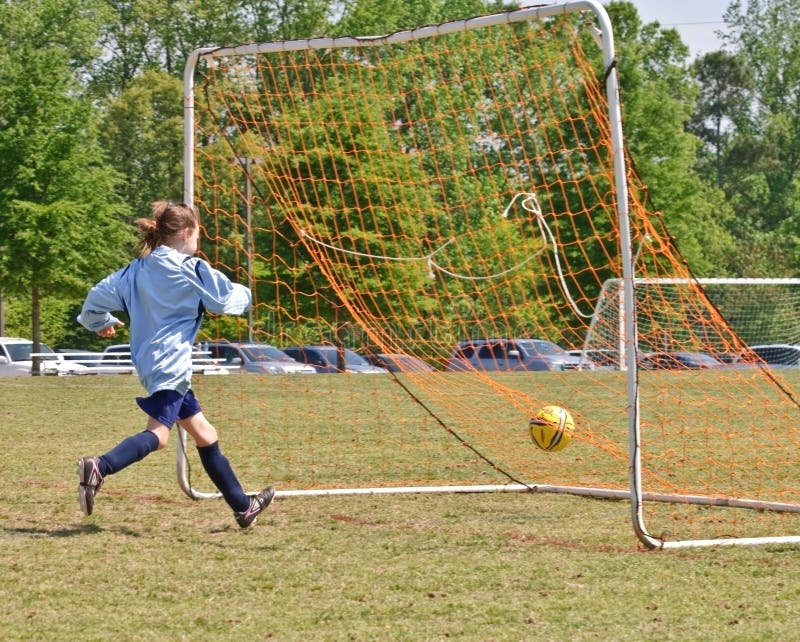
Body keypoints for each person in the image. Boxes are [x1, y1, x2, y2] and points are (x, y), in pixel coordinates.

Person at [76, 201, 274, 528]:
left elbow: (94, 299)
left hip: (152, 365)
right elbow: (225, 300)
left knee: (205, 433)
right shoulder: (191, 268)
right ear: (186, 232)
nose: (200, 240)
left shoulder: (134, 271)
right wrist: (248, 295)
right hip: (171, 366)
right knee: (159, 436)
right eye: (198, 232)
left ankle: (243, 507)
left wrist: (99, 322)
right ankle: (99, 467)